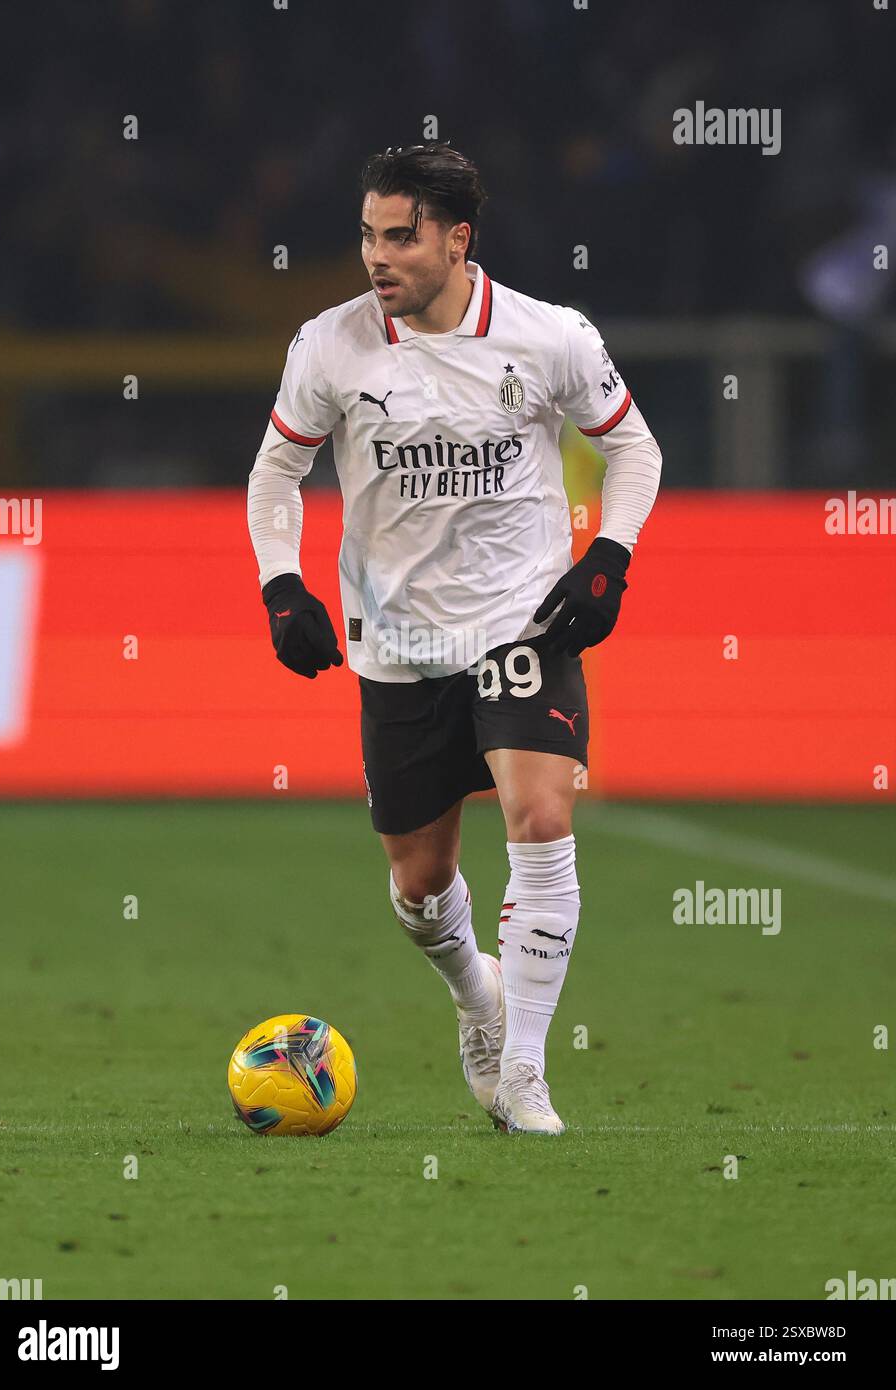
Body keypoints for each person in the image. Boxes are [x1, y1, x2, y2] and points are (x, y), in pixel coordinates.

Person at [247, 142, 662, 1133]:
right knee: (420, 883)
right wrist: (281, 585)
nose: (376, 258)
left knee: (540, 817)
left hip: (521, 618)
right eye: (366, 235)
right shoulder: (329, 346)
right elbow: (275, 475)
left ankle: (523, 1071)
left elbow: (631, 445)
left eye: (399, 237)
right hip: (397, 640)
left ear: (454, 238)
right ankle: (479, 1002)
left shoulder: (548, 335)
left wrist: (607, 556)